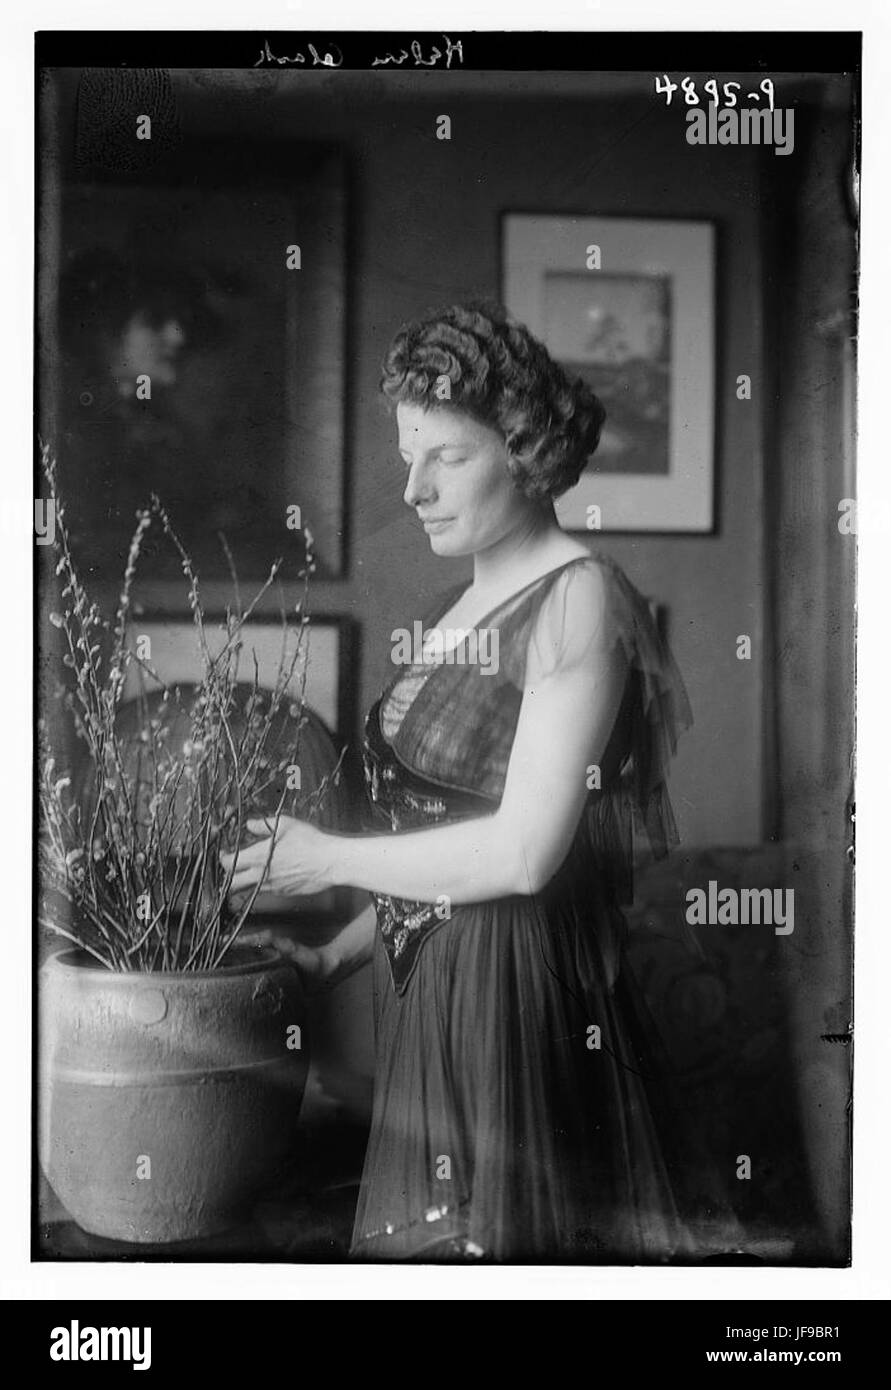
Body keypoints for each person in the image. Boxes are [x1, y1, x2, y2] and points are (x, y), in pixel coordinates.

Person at [223, 301, 695, 1262]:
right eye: (408, 457)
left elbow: (521, 854)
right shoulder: (461, 602)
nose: (414, 489)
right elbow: (439, 832)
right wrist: (333, 957)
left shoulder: (579, 598)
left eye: (447, 457)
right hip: (423, 990)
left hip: (507, 997)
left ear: (525, 453)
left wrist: (321, 862)